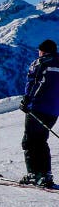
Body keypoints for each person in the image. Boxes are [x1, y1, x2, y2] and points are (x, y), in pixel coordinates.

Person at [19, 39, 59, 187]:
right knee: (41, 140)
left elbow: (35, 82)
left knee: (29, 141)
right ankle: (46, 175)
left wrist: (27, 101)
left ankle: (34, 174)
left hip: (38, 107)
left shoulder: (40, 62)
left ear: (43, 51)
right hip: (54, 110)